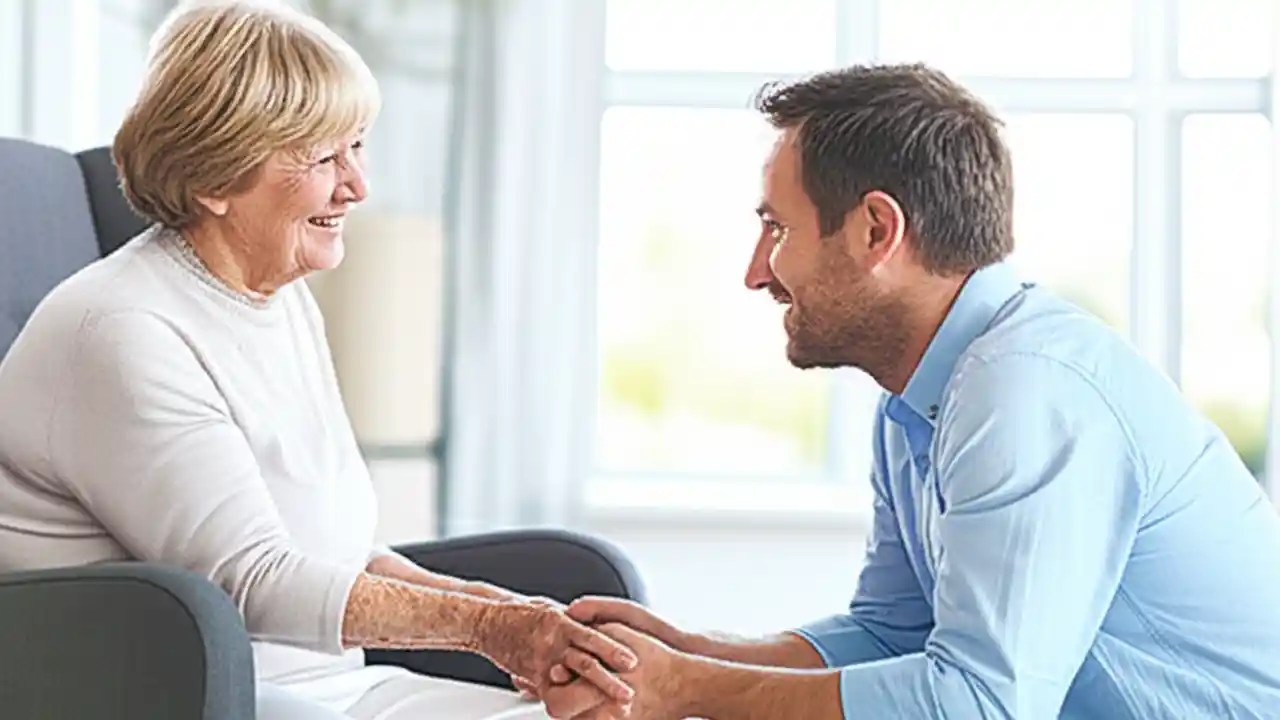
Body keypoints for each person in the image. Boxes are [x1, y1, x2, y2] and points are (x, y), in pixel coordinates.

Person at [536, 63, 1280, 719]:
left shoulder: (1023, 390)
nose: (757, 272)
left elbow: (978, 705)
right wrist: (694, 653)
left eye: (776, 229)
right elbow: (892, 633)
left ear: (875, 231)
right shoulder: (916, 401)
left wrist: (688, 690)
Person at [0, 3, 633, 719]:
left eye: (357, 146)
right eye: (322, 156)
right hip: (199, 694)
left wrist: (521, 620)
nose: (357, 185)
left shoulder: (273, 293)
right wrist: (497, 631)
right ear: (214, 175)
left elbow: (339, 550)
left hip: (336, 685)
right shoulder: (124, 329)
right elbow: (254, 582)